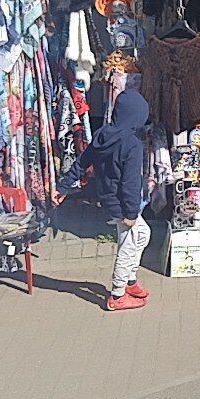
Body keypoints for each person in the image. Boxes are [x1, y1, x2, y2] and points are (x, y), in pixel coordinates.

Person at [54, 89, 153, 312]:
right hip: (122, 205)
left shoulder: (102, 135)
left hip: (108, 199)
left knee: (143, 234)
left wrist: (63, 188)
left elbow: (81, 162)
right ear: (136, 117)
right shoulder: (132, 144)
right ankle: (117, 294)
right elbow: (130, 183)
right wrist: (130, 213)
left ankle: (130, 280)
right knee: (127, 245)